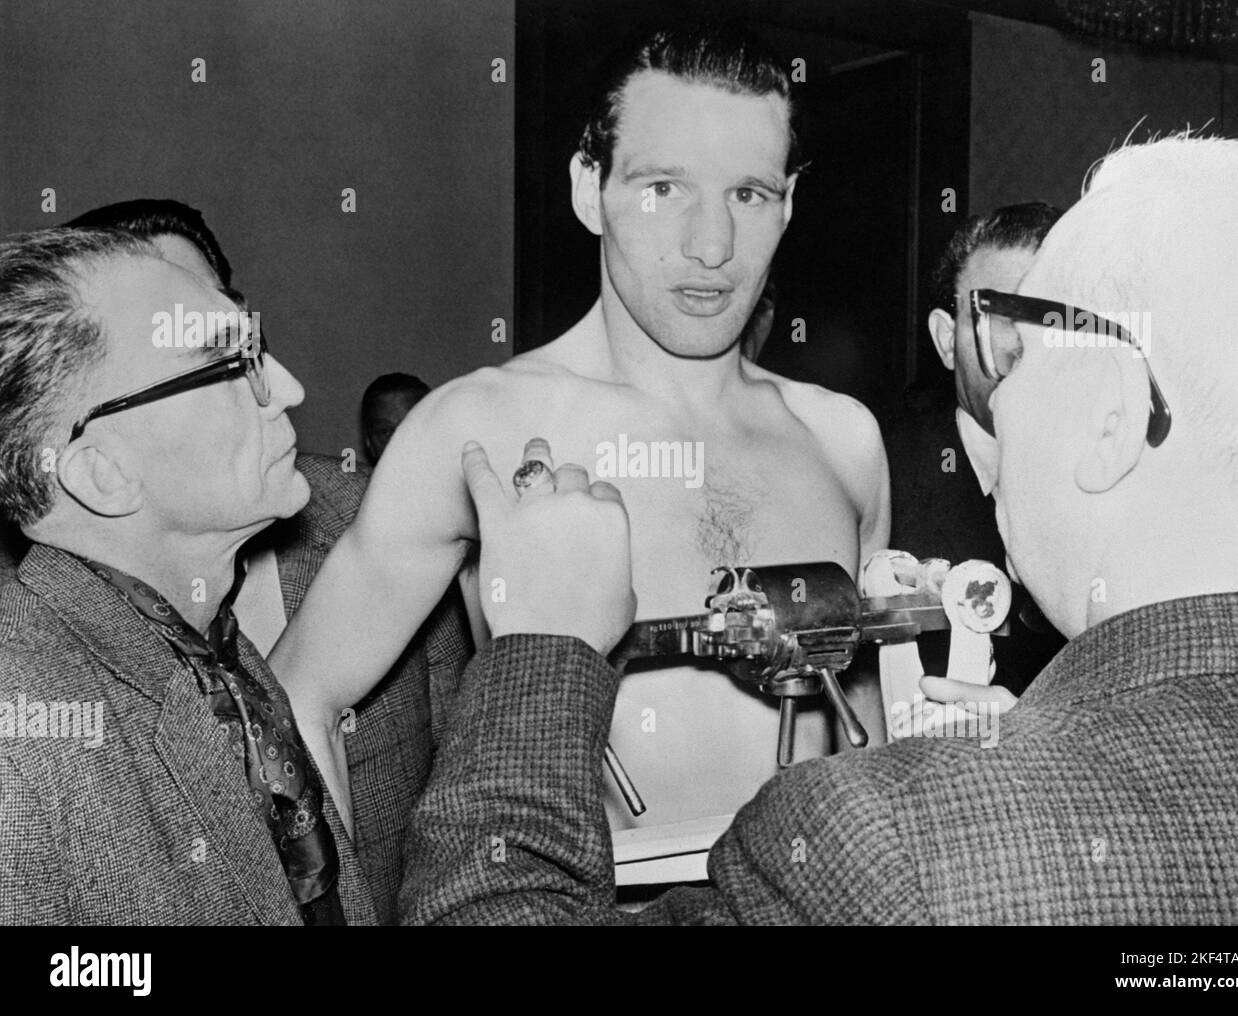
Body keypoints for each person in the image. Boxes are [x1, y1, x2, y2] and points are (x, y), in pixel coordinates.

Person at [400, 134, 1238, 924]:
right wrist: (1045, 754)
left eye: (1019, 349)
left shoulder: (887, 845)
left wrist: (542, 649)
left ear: (1113, 418)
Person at [270, 21, 890, 831]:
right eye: (663, 187)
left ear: (788, 205)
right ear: (587, 189)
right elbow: (296, 702)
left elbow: (868, 719)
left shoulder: (843, 439)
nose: (712, 245)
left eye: (749, 194)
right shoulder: (478, 427)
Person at [56, 198, 472, 923]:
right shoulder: (42, 688)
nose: (282, 386)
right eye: (200, 355)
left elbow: (456, 762)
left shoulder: (376, 520)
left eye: (236, 336)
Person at [881, 203, 1067, 721]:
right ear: (946, 340)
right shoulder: (879, 472)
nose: (1026, 344)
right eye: (1004, 317)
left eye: (1051, 314)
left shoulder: (1130, 477)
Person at [362, 372, 430, 463]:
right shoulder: (345, 475)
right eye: (385, 432)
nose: (399, 443)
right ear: (368, 441)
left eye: (411, 427)